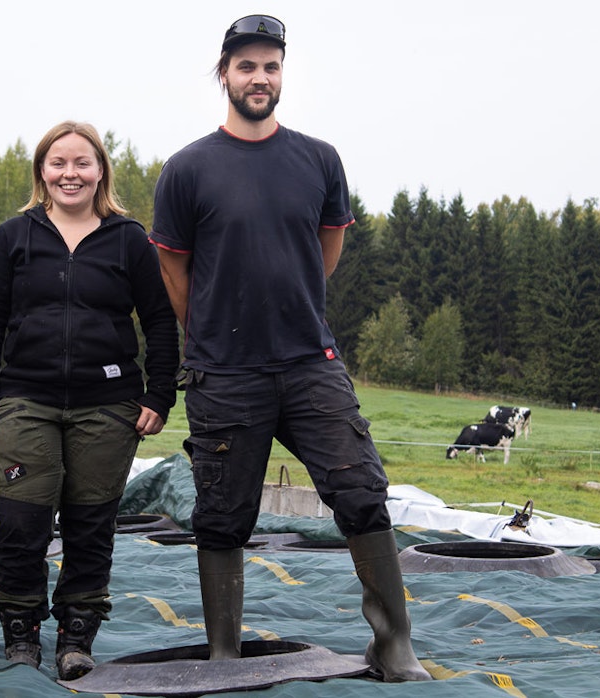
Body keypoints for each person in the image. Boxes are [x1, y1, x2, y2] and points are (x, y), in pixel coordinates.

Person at [148, 16, 431, 682]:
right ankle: (224, 654)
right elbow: (174, 271)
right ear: (224, 74)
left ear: (282, 74)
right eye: (246, 66)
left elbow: (324, 251)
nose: (259, 78)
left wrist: (287, 304)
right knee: (221, 515)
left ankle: (394, 646)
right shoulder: (187, 168)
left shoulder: (318, 160)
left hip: (310, 364)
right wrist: (218, 327)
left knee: (361, 492)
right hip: (224, 370)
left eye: (270, 66)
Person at [0, 121, 179, 679]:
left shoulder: (129, 239)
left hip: (107, 406)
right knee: (20, 524)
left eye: (82, 163)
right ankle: (21, 632)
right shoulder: (15, 237)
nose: (70, 173)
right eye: (58, 163)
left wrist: (158, 392)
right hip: (25, 402)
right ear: (42, 172)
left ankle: (76, 638)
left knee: (91, 525)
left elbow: (158, 319)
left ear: (100, 171)